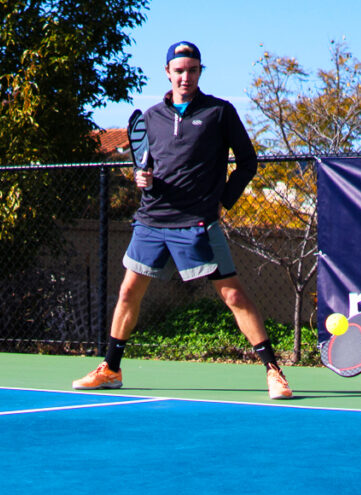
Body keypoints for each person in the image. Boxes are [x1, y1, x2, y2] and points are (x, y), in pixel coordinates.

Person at [73, 41, 292, 400]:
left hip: (197, 223)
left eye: (192, 70)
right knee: (128, 292)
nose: (185, 77)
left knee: (234, 294)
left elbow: (248, 161)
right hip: (151, 220)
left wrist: (220, 201)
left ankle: (273, 371)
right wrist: (140, 178)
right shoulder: (150, 118)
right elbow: (145, 167)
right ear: (167, 73)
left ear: (200, 72)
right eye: (179, 70)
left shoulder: (220, 113)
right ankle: (111, 368)